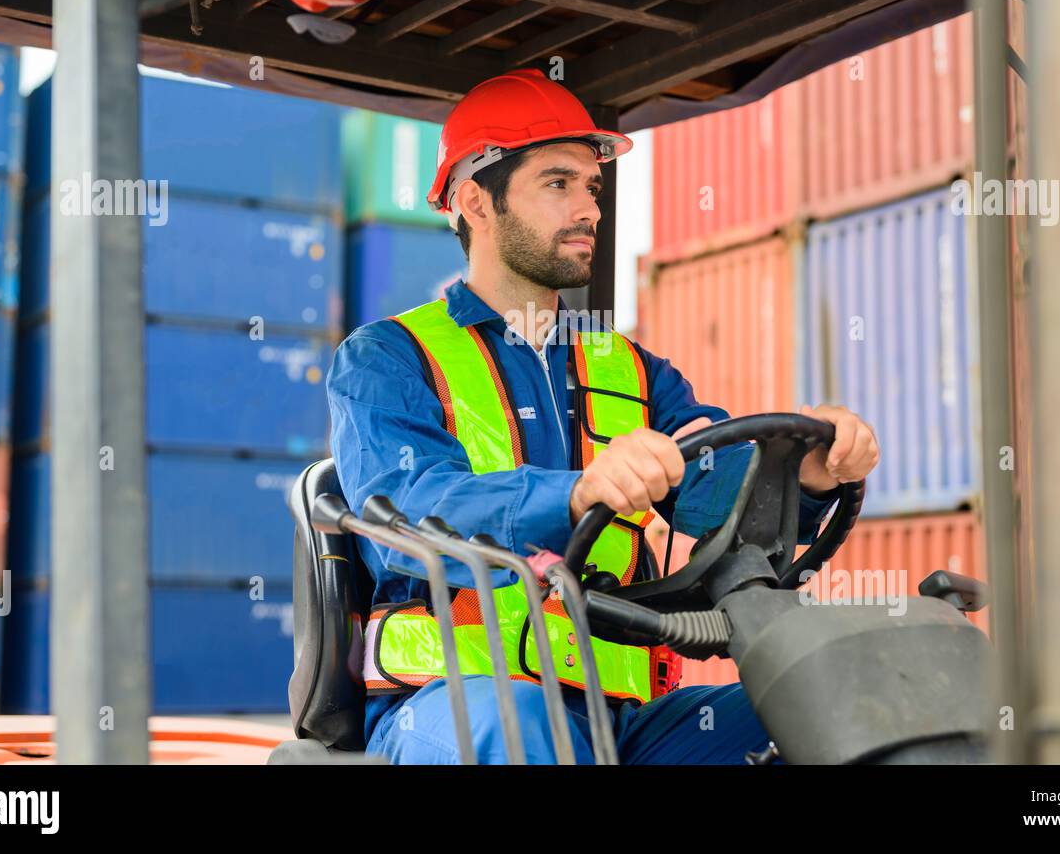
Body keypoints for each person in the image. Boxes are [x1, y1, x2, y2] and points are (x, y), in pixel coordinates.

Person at [325, 68, 879, 764]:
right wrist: (575, 492)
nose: (589, 207)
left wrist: (806, 472)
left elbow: (719, 496)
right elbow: (409, 515)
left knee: (834, 696)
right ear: (475, 201)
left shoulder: (634, 371)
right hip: (449, 707)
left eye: (591, 187)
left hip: (619, 724)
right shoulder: (387, 360)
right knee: (520, 725)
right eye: (558, 183)